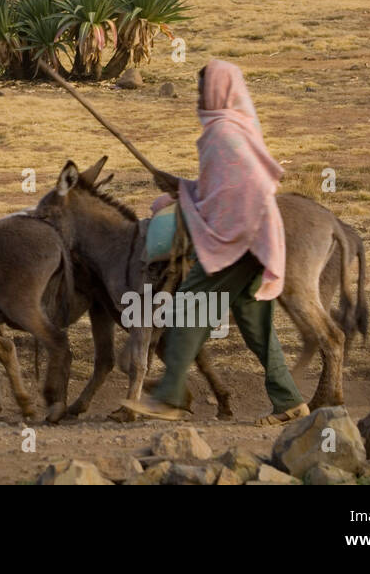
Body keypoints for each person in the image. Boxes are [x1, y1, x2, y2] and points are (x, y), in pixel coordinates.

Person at [120, 59, 308, 426]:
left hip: (236, 240)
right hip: (256, 239)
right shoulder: (238, 127)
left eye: (203, 89)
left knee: (189, 306)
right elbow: (220, 190)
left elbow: (234, 196)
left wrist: (185, 197)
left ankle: (170, 396)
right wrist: (180, 185)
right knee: (256, 325)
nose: (198, 97)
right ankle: (289, 401)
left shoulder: (221, 134)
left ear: (218, 91)